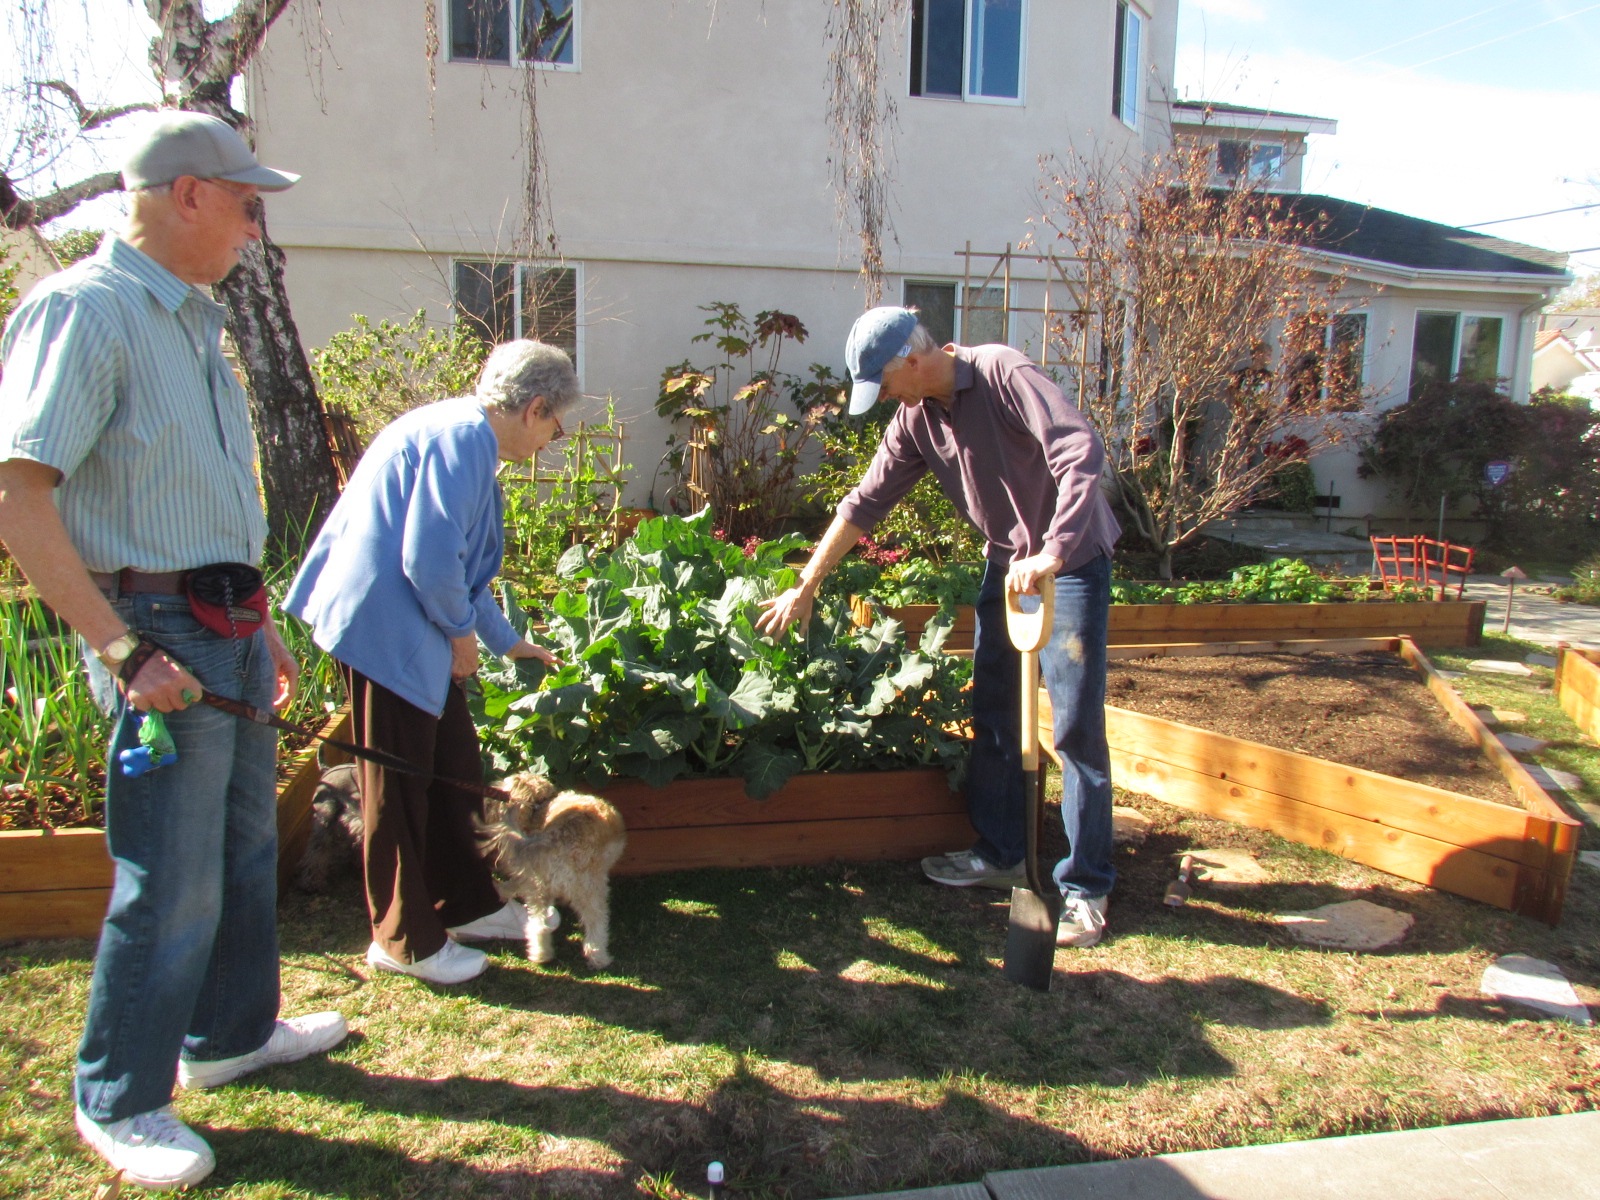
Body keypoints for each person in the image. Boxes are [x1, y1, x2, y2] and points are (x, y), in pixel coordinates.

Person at [0, 111, 348, 1190]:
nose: (256, 227)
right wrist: (118, 650)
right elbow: (18, 495)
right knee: (170, 882)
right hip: (154, 638)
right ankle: (120, 1097)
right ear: (188, 194)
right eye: (248, 204)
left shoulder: (192, 322)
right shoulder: (84, 311)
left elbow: (201, 503)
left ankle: (231, 1036)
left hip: (229, 629)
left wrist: (265, 620)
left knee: (245, 856)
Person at [755, 306, 1122, 947]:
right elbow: (863, 503)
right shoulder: (917, 421)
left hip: (1072, 564)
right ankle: (1002, 852)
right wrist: (806, 584)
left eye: (887, 382)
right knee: (995, 708)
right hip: (1009, 565)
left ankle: (1086, 885)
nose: (887, 396)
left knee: (1074, 728)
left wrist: (1053, 552)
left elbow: (1077, 449)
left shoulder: (1003, 372)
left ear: (915, 361)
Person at [284, 339, 569, 987]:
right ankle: (403, 938)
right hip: (383, 631)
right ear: (535, 406)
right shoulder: (462, 440)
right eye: (556, 424)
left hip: (413, 627)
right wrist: (462, 636)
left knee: (453, 771)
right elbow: (428, 562)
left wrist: (505, 640)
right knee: (399, 784)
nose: (554, 438)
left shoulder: (468, 439)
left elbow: (463, 572)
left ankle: (467, 905)